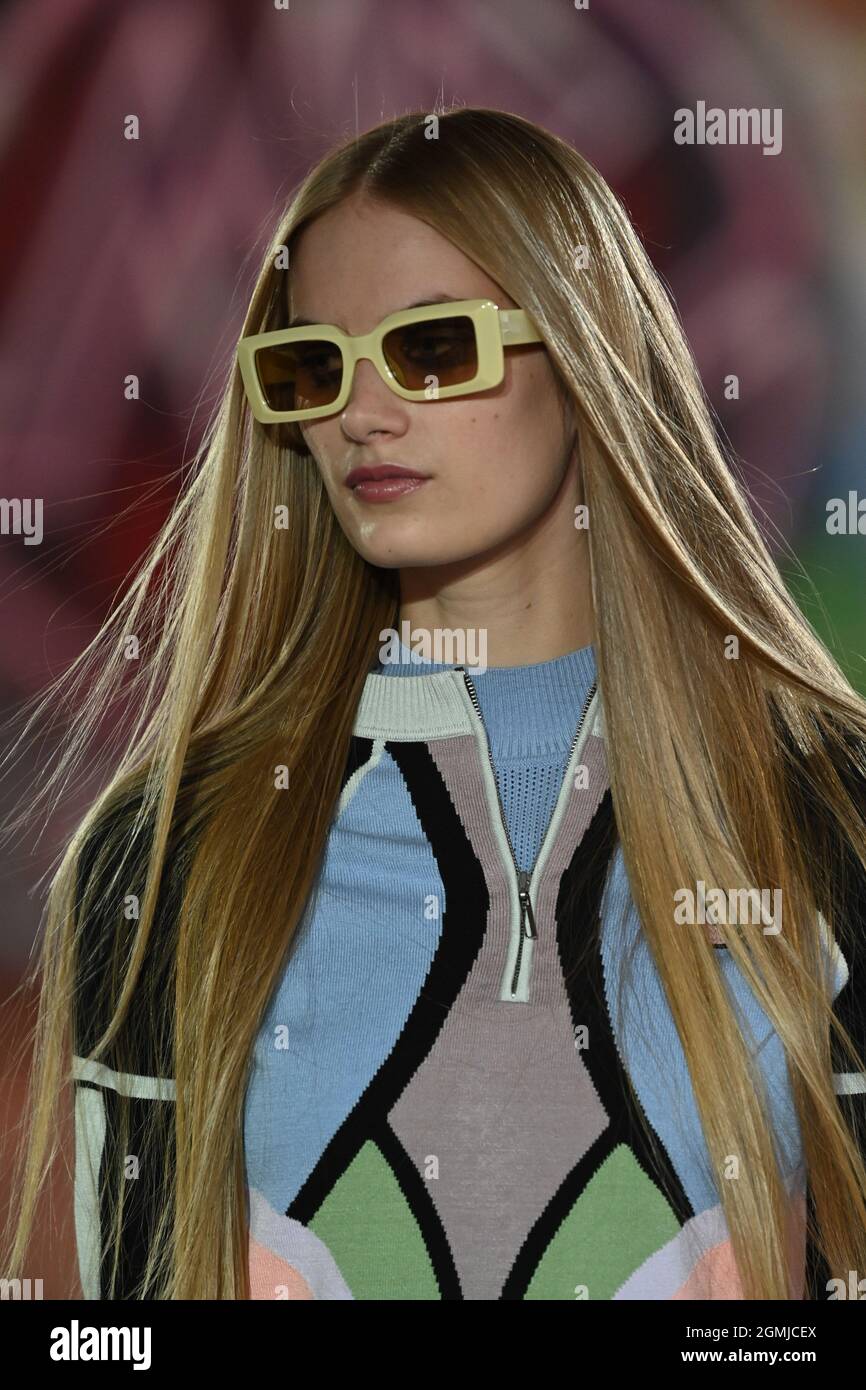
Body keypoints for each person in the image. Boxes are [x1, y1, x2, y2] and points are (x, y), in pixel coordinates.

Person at [4, 105, 866, 1301]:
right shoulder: (170, 854)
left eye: (429, 349)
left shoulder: (830, 813)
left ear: (583, 355)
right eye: (311, 367)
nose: (361, 413)